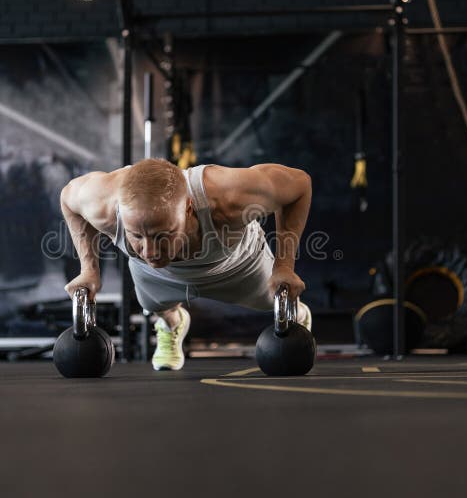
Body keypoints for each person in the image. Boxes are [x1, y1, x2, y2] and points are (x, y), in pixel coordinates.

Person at [60, 158, 312, 371]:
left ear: (189, 208)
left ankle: (298, 314)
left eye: (162, 235)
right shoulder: (102, 203)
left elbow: (299, 184)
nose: (149, 250)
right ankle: (173, 323)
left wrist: (284, 266)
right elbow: (68, 199)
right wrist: (89, 270)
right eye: (136, 235)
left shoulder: (227, 197)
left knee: (272, 301)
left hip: (238, 266)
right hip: (156, 278)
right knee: (151, 304)